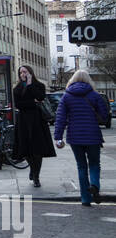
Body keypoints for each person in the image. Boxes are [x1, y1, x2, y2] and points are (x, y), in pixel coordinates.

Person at [53, 69, 109, 206]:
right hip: (93, 136)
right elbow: (105, 115)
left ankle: (85, 198)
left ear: (72, 80)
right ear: (89, 80)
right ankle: (95, 185)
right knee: (95, 164)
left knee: (81, 166)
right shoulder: (95, 96)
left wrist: (58, 137)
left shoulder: (66, 96)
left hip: (75, 137)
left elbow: (60, 119)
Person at [13, 64, 56, 189]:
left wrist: (30, 85)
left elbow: (40, 97)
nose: (23, 74)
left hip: (37, 121)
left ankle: (36, 176)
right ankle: (32, 168)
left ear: (30, 73)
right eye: (21, 72)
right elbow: (19, 105)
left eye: (25, 72)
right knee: (25, 149)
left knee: (38, 150)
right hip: (23, 121)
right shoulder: (17, 88)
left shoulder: (39, 86)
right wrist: (33, 103)